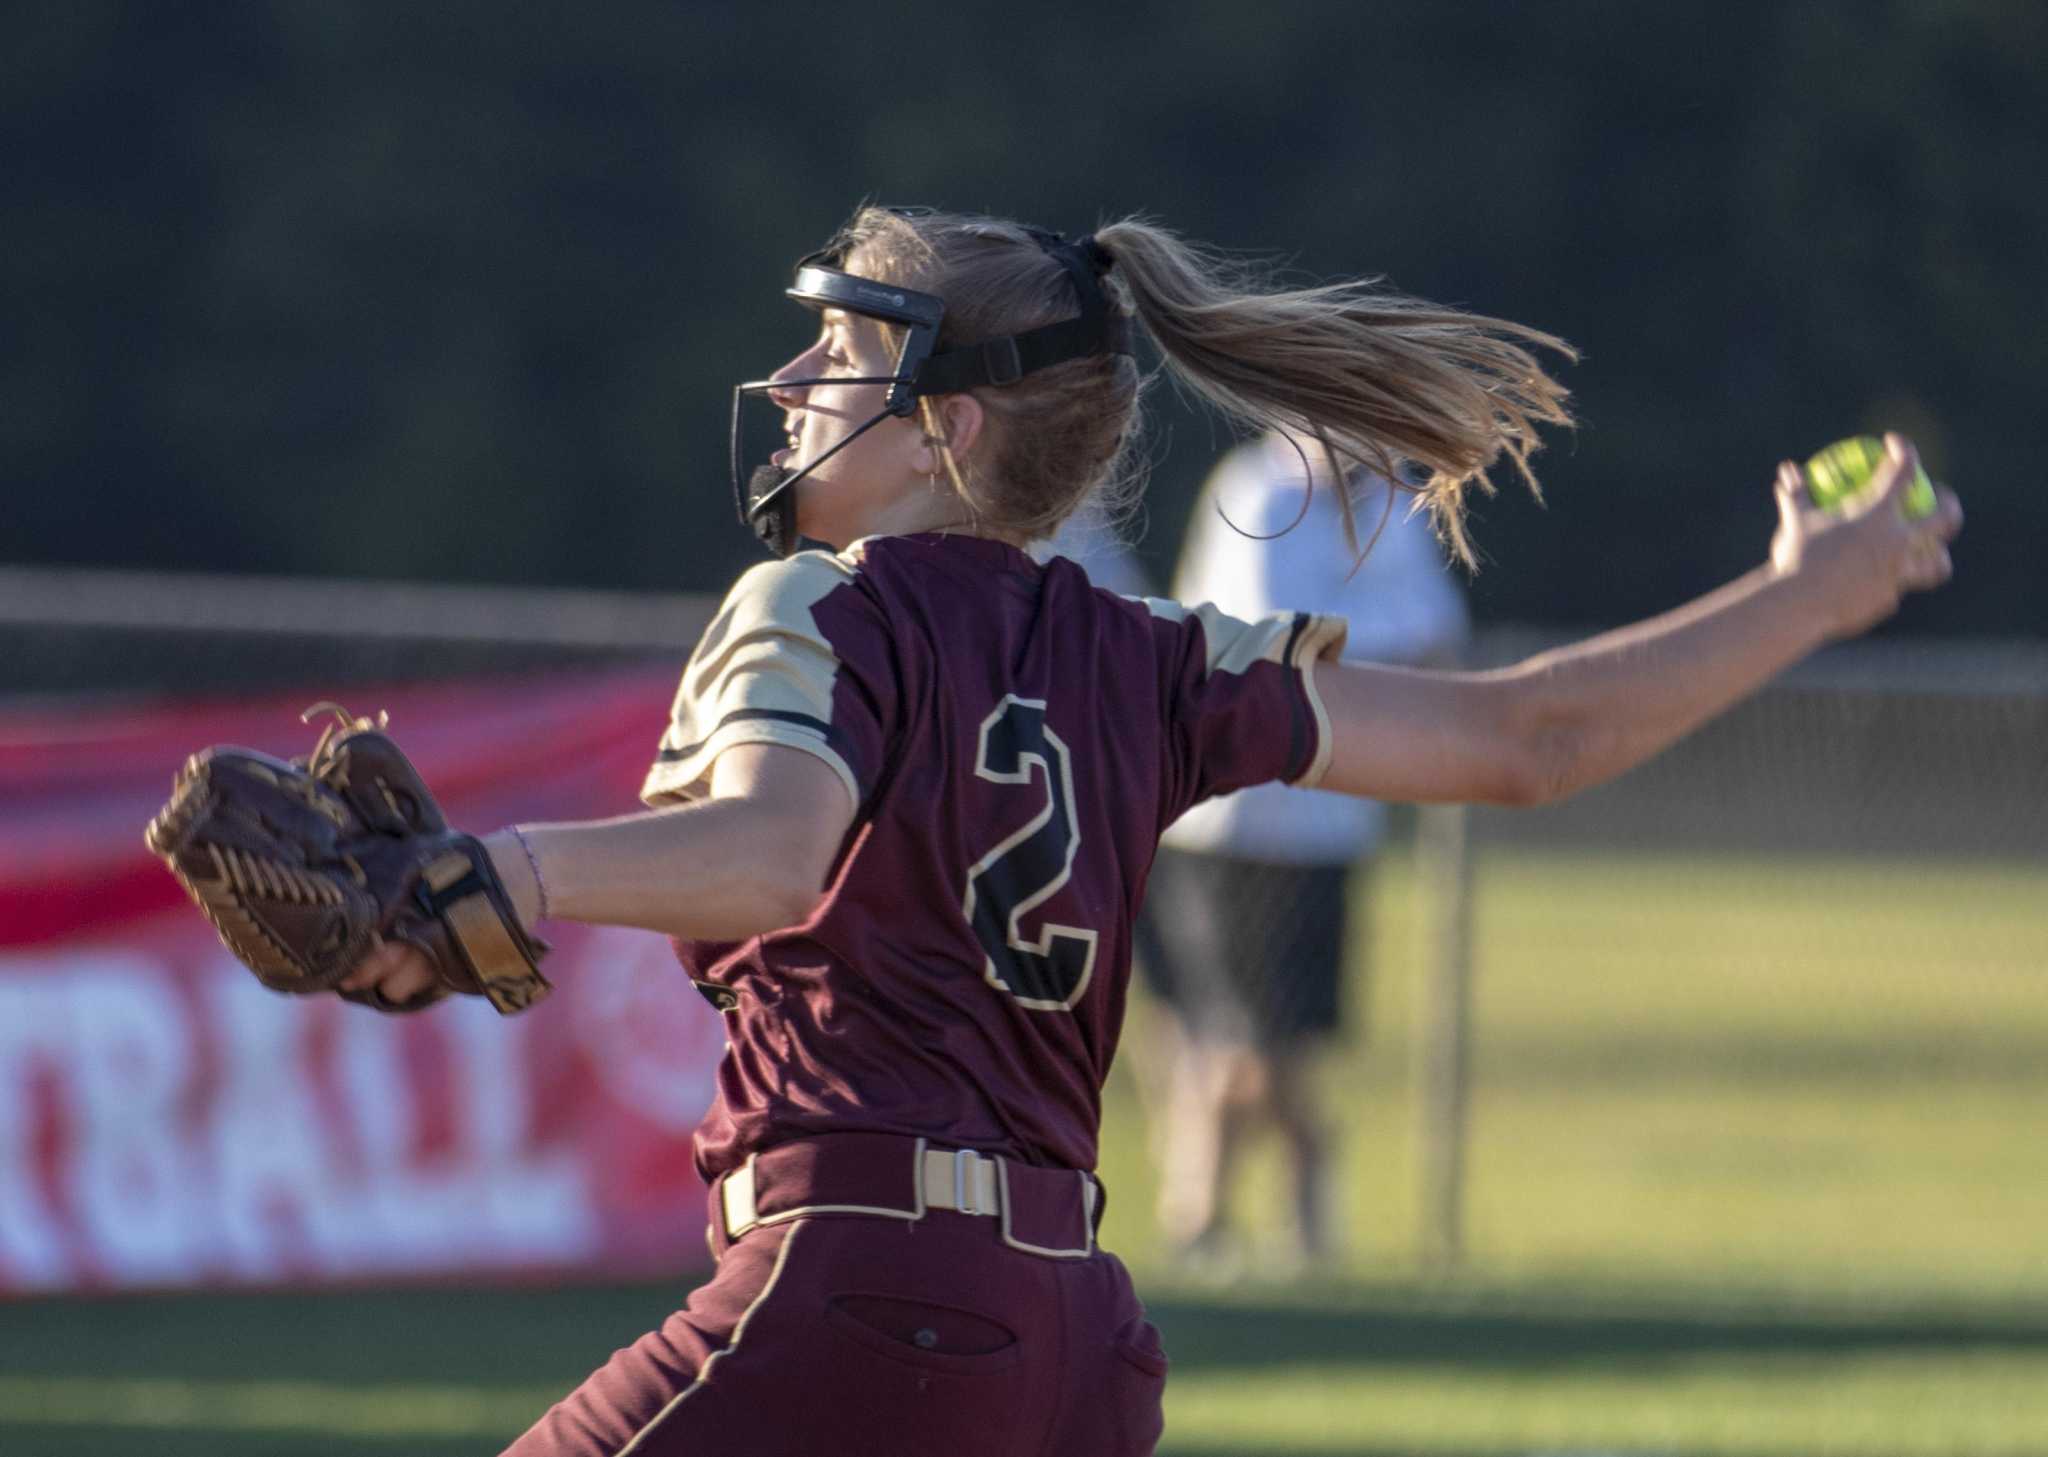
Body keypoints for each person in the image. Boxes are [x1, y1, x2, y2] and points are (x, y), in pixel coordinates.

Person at [338, 205, 1959, 1457]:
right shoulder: (1154, 655)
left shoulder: (820, 604)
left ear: (952, 425)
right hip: (1069, 1341)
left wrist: (506, 869)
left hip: (856, 1297)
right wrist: (1809, 593)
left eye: (841, 351)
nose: (795, 380)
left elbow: (772, 852)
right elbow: (1530, 740)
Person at [1143, 433, 1469, 1274]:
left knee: (1279, 1045)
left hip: (1325, 829)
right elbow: (1275, 633)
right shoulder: (1258, 493)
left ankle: (1281, 1218)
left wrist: (1354, 641)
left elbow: (1438, 627)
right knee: (1227, 1040)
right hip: (1227, 824)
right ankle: (1213, 1219)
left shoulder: (1389, 505)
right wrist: (1373, 642)